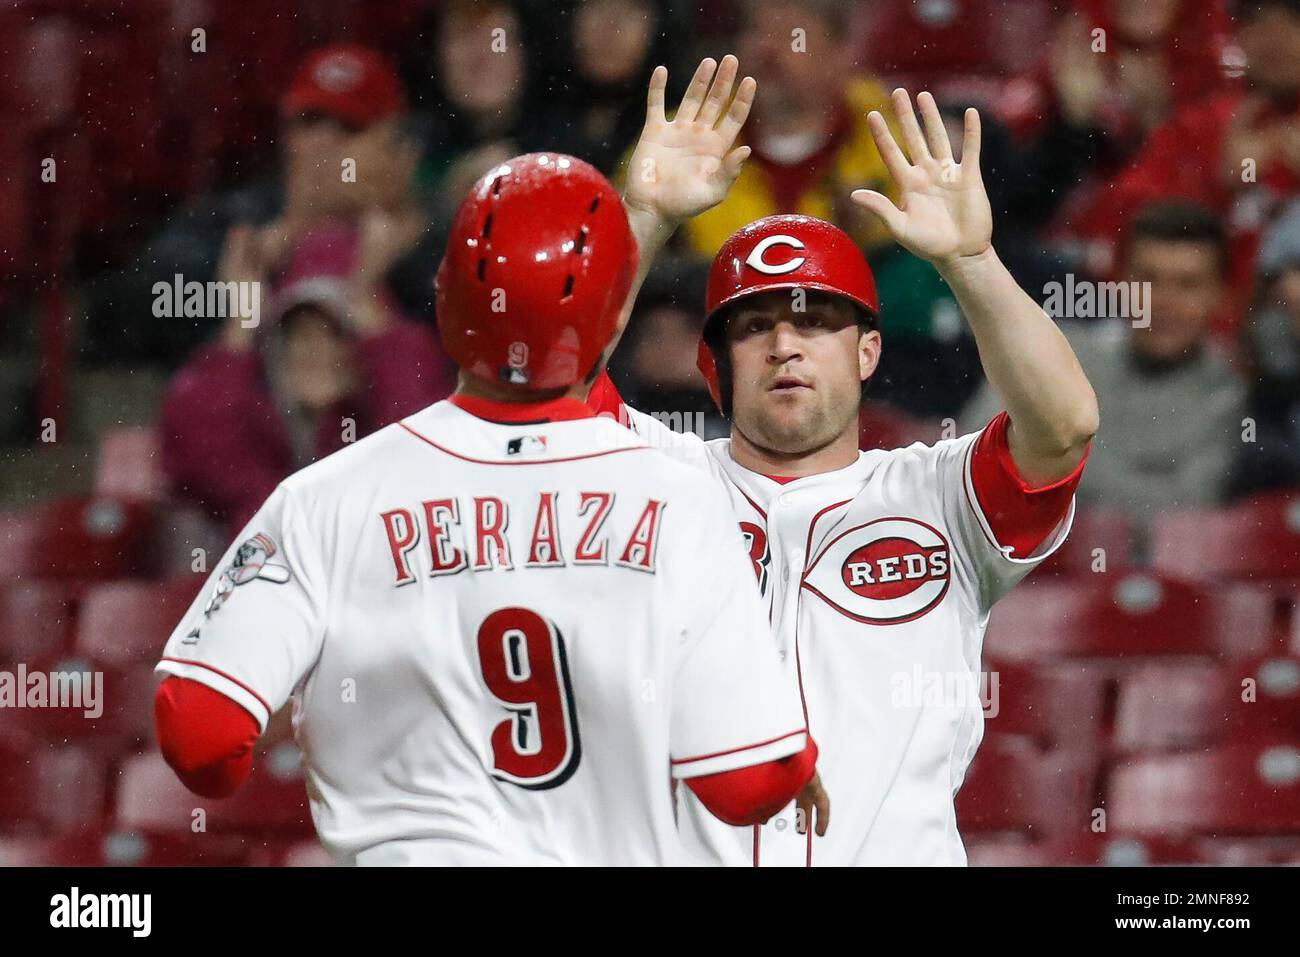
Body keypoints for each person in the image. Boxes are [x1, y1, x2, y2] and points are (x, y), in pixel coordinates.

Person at [153, 143, 817, 865]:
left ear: (446, 296)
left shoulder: (326, 496)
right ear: (611, 312)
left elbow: (201, 736)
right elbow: (746, 780)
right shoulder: (679, 493)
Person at [601, 60, 1098, 864]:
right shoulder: (656, 482)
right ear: (711, 369)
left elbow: (1066, 424)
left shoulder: (937, 493)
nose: (787, 342)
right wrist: (644, 214)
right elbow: (546, 386)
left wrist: (971, 261)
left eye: (816, 320)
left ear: (869, 350)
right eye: (754, 326)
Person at [963, 201, 1245, 529]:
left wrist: (1050, 453)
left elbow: (1178, 516)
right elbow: (975, 458)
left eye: (1188, 285)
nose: (1165, 301)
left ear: (1220, 296)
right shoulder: (1058, 351)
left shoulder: (1228, 396)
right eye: (1149, 280)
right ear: (1118, 283)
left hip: (1137, 575)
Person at [160, 220, 453, 535]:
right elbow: (200, 457)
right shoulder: (256, 427)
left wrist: (372, 314)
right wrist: (241, 325)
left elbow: (424, 451)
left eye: (337, 334)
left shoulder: (379, 425)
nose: (318, 352)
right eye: (300, 336)